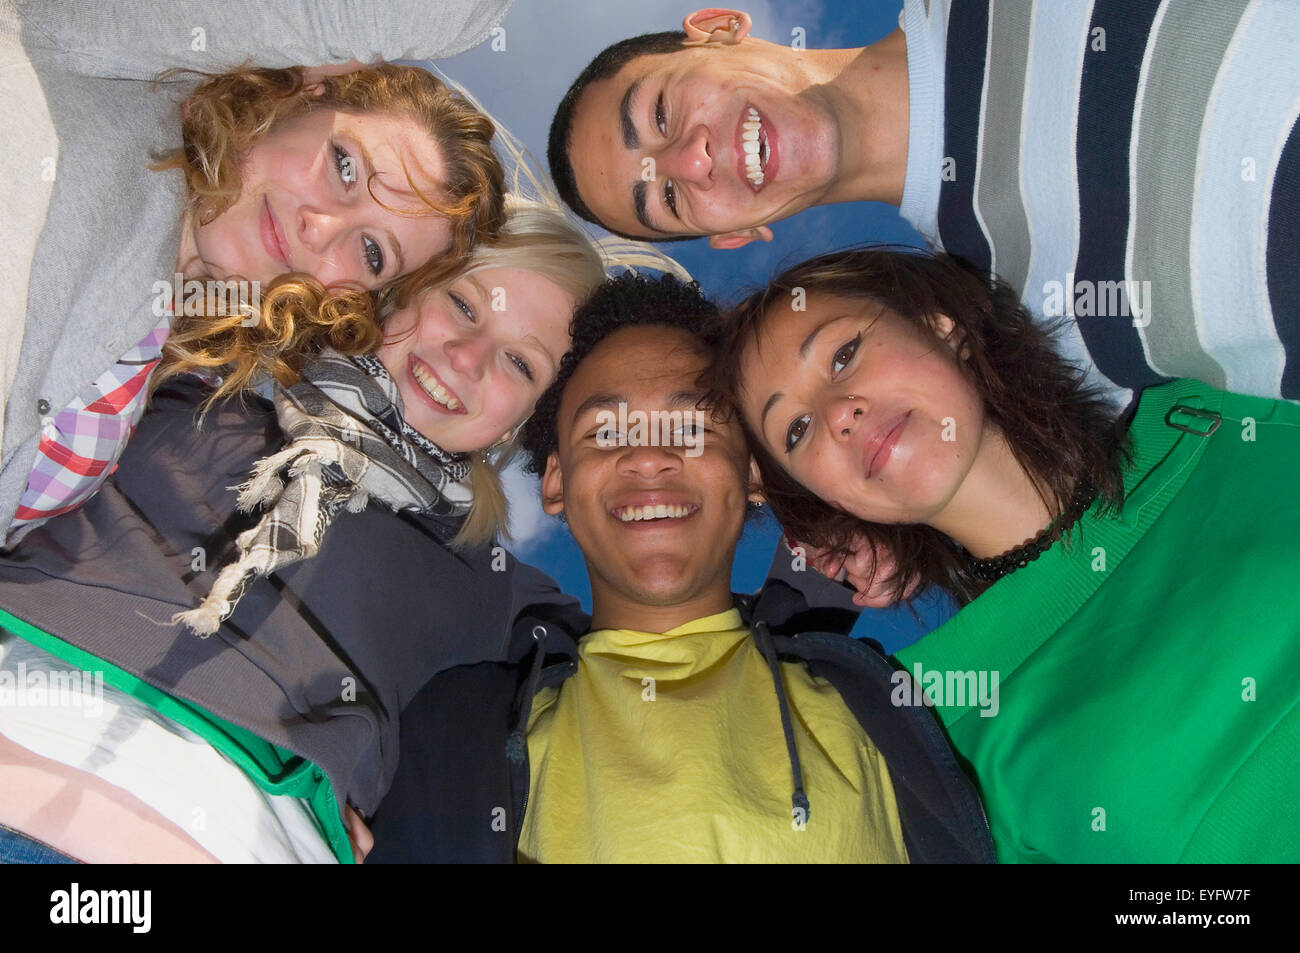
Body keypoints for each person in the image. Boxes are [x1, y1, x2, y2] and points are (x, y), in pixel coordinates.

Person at [0, 198, 607, 864]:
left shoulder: (489, 584)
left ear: (524, 424)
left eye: (521, 363)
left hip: (234, 831)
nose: (468, 356)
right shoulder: (203, 359)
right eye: (463, 305)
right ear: (401, 289)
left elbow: (671, 667)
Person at [365, 272, 995, 863]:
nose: (650, 457)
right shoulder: (440, 743)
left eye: (693, 426)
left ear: (752, 472)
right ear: (556, 481)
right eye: (606, 432)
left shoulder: (895, 710)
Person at [715, 247, 1300, 862]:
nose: (838, 414)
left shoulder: (1231, 406)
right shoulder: (944, 737)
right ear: (823, 501)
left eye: (842, 355)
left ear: (943, 326)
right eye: (796, 432)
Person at [546, 3, 1300, 406]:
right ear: (739, 233)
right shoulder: (1030, 338)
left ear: (717, 29)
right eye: (668, 198)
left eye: (660, 115)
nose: (690, 159)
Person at [2, 0, 514, 542]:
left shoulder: (197, 363)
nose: (321, 226)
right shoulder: (110, 63)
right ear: (304, 93)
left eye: (371, 251)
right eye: (345, 166)